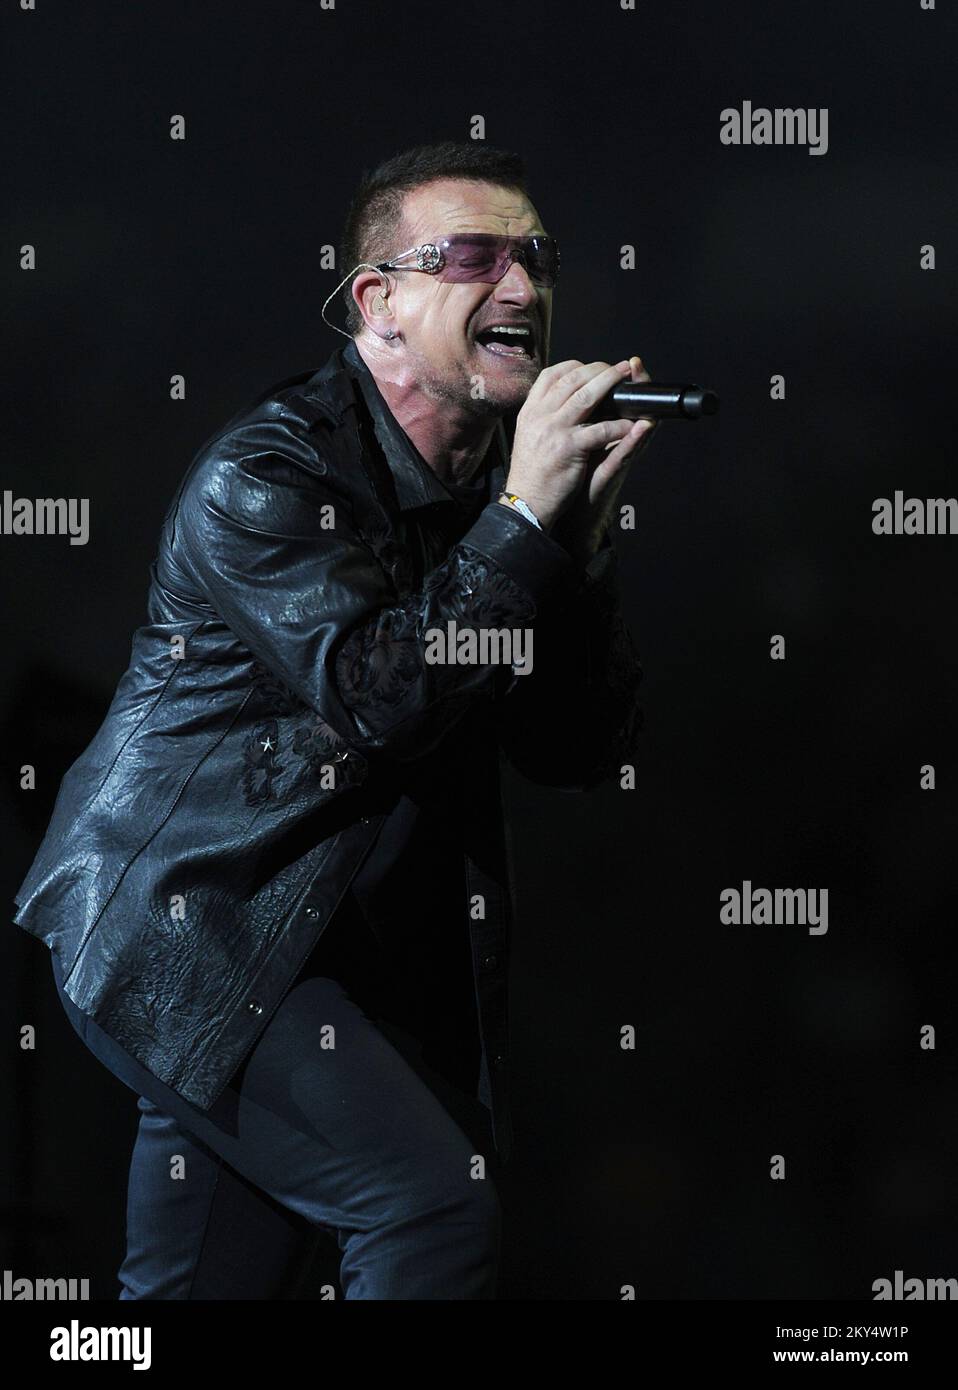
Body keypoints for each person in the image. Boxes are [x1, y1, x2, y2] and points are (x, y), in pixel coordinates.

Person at [12, 140, 658, 1299]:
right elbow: (376, 697)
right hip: (188, 932)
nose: (521, 288)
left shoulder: (491, 496)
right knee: (430, 1211)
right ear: (380, 303)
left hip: (316, 964)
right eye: (474, 257)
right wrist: (521, 522)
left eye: (537, 259)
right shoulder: (268, 476)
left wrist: (581, 553)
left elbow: (572, 749)